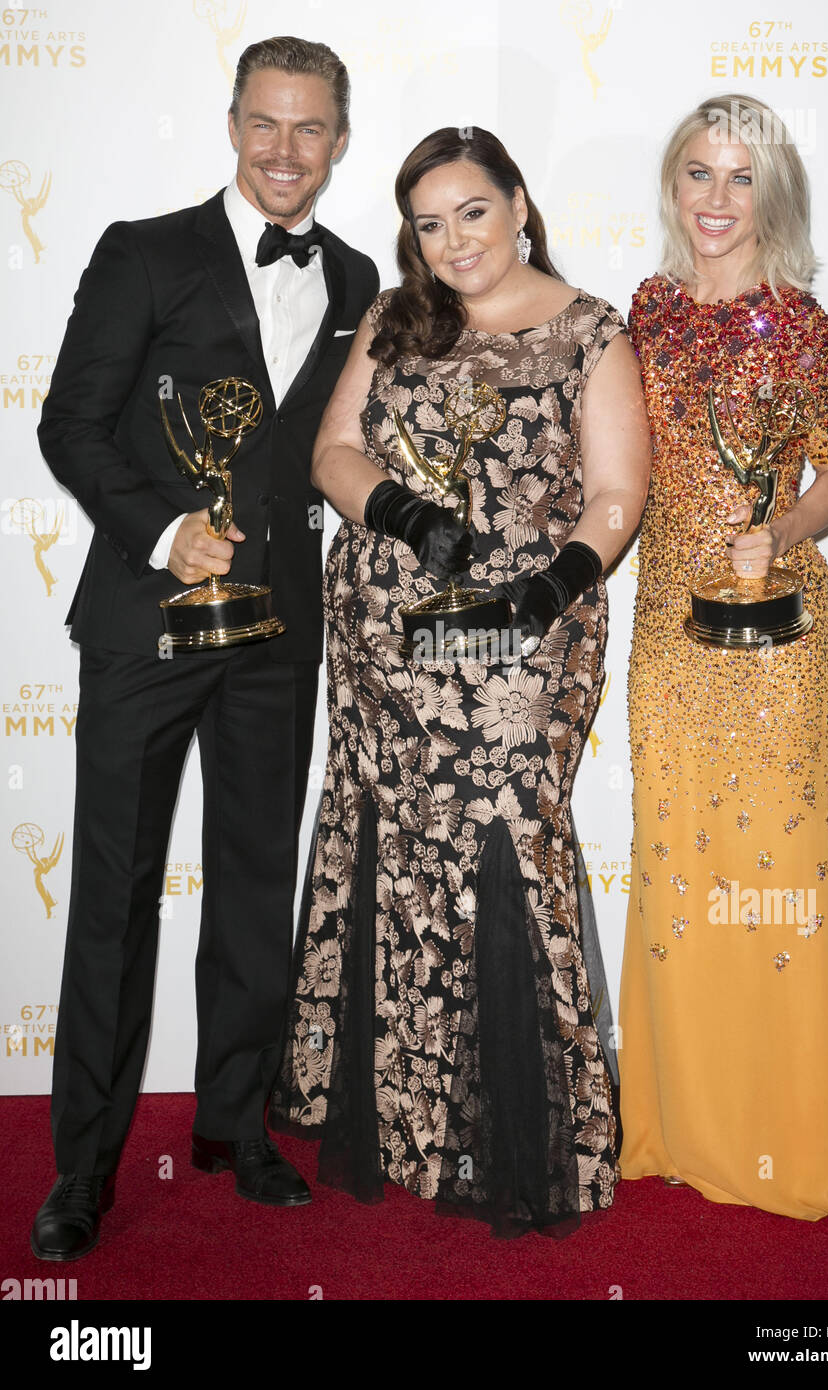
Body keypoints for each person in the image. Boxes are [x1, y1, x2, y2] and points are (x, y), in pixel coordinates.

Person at [31, 36, 378, 1261]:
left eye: (312, 130)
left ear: (341, 139)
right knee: (117, 898)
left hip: (278, 632)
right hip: (143, 625)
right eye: (266, 124)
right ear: (233, 123)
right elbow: (69, 425)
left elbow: (327, 449)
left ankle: (239, 1124)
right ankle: (83, 1164)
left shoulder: (354, 276)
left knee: (249, 887)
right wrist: (167, 530)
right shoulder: (144, 250)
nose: (286, 152)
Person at [268, 127, 651, 1236]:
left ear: (519, 202)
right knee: (395, 843)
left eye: (471, 212)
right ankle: (400, 1123)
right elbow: (334, 451)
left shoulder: (589, 328)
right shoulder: (398, 320)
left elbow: (617, 494)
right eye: (428, 225)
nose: (452, 242)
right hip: (390, 627)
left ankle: (516, 1134)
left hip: (525, 638)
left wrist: (545, 594)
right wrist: (406, 514)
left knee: (502, 842)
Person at [617, 94, 828, 1220]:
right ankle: (674, 1124)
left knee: (770, 882)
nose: (717, 200)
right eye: (697, 175)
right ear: (674, 186)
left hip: (778, 639)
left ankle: (775, 1135)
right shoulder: (648, 313)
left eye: (740, 178)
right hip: (670, 629)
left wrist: (789, 530)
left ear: (774, 193)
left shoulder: (806, 327)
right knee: (678, 862)